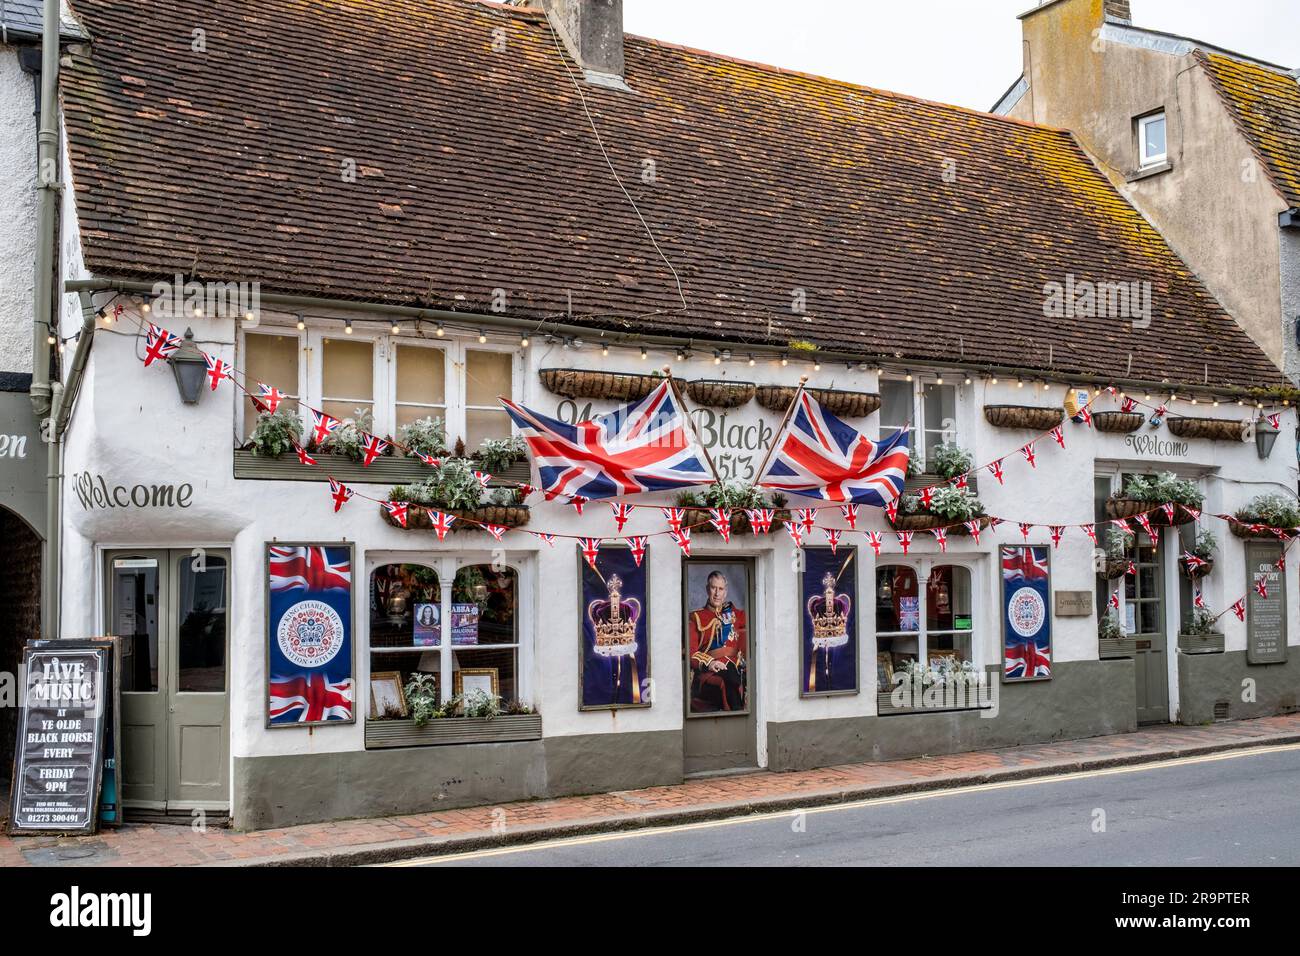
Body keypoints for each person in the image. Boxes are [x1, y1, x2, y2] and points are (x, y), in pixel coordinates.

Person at [688, 571, 747, 712]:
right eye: (713, 588)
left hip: (736, 668)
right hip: (710, 672)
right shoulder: (696, 617)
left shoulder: (737, 615)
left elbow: (749, 641)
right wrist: (710, 663)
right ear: (707, 589)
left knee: (735, 677)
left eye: (720, 589)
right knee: (729, 681)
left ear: (725, 592)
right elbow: (691, 652)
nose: (717, 593)